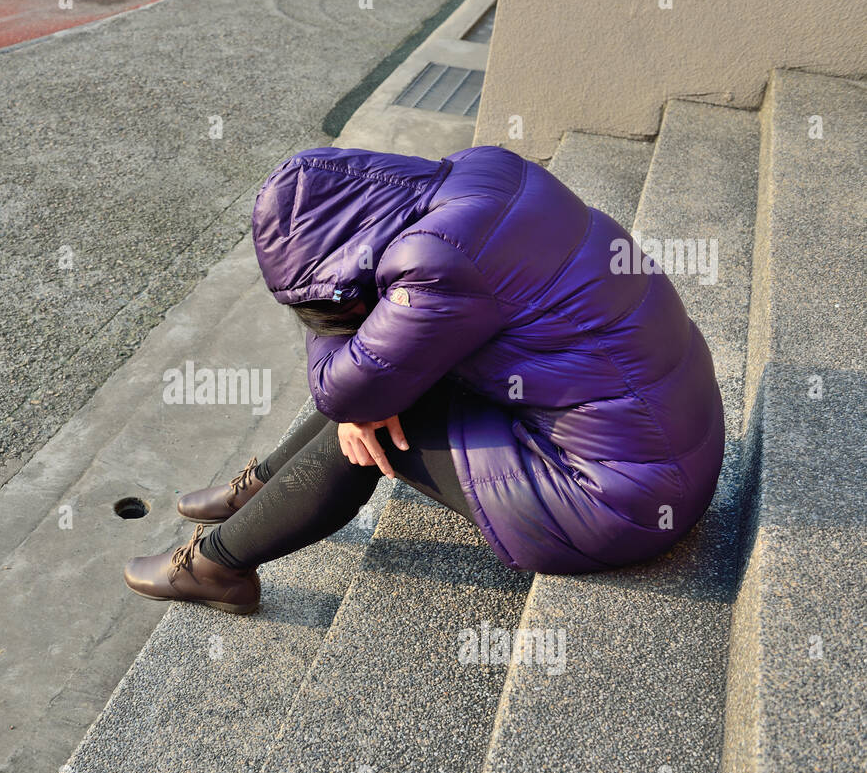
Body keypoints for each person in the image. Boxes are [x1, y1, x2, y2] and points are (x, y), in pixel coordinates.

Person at [125, 146, 725, 614]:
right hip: (655, 436)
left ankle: (215, 568)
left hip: (617, 497)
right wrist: (361, 345)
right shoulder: (484, 169)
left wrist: (332, 310)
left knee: (376, 416)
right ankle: (264, 487)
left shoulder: (435, 262)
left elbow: (339, 390)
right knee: (386, 384)